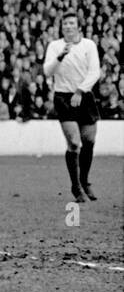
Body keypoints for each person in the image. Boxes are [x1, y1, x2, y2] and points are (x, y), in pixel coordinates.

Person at [42, 12, 101, 202]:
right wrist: (60, 57)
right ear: (61, 27)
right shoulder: (55, 46)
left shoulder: (88, 45)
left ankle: (85, 181)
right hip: (64, 98)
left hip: (84, 95)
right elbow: (46, 71)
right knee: (74, 142)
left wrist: (81, 91)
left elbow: (94, 72)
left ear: (78, 26)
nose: (68, 26)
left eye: (71, 23)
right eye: (65, 23)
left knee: (89, 140)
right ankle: (76, 188)